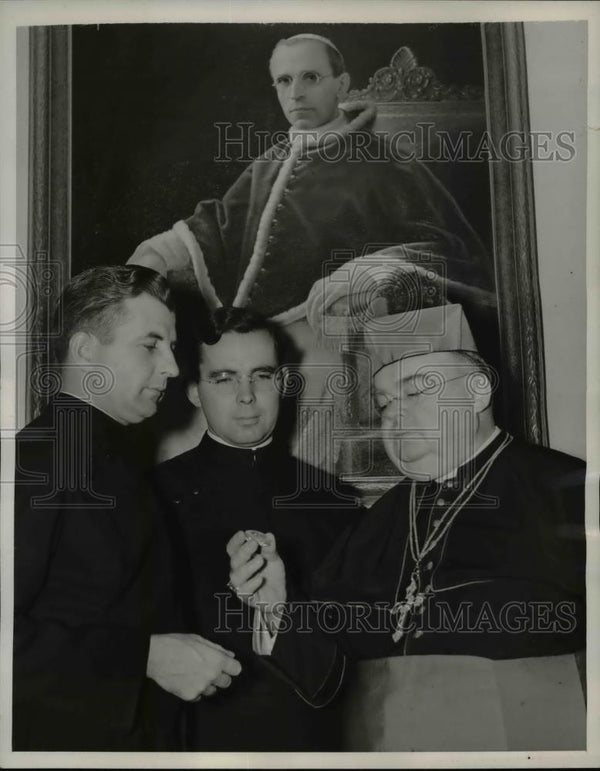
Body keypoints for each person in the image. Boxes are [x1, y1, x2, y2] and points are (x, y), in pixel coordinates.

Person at [228, 303, 586, 751]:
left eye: (415, 392)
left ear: (477, 392)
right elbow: (329, 675)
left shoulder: (571, 491)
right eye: (383, 403)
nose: (394, 416)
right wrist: (277, 605)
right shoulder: (376, 522)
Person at [127, 32, 493, 469]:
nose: (295, 92)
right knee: (187, 442)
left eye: (310, 77)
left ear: (341, 84)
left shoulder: (384, 161)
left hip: (333, 335)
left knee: (294, 447)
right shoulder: (271, 161)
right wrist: (161, 254)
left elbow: (448, 246)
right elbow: (219, 224)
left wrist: (371, 268)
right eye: (283, 81)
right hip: (251, 337)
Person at [13, 265, 241, 751]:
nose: (174, 368)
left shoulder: (111, 463)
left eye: (172, 347)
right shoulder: (41, 457)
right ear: (85, 350)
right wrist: (145, 659)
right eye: (150, 344)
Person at [153, 305, 360, 750]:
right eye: (224, 378)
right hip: (187, 745)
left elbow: (351, 662)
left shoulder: (337, 502)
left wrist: (280, 613)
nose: (246, 396)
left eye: (261, 375)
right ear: (193, 391)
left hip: (312, 743)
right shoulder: (149, 498)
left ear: (282, 383)